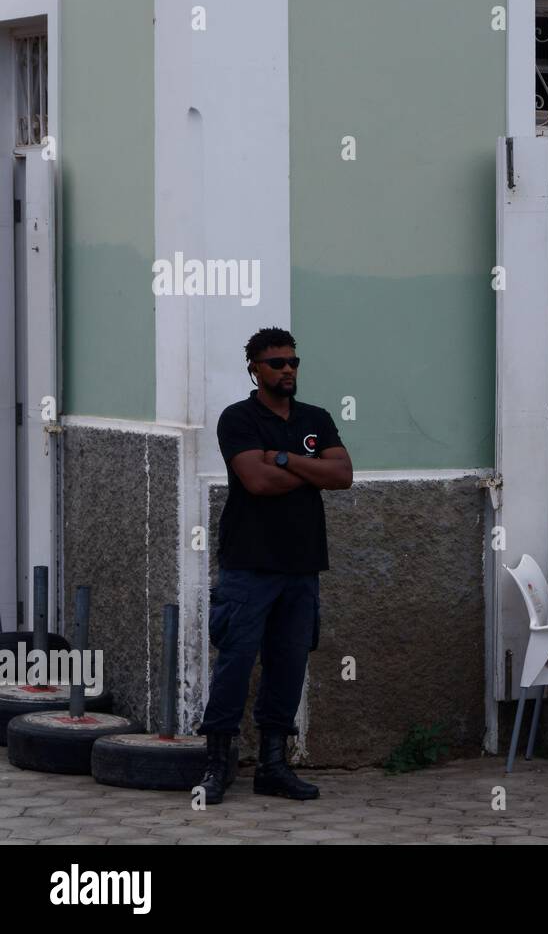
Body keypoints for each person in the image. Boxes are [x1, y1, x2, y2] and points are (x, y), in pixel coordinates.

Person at [195, 328, 353, 804]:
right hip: (248, 563)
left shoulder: (316, 418)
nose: (287, 370)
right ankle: (217, 763)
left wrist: (284, 458)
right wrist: (310, 470)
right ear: (255, 369)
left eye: (292, 362)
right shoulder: (238, 419)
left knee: (288, 665)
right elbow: (257, 482)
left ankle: (273, 766)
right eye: (276, 363)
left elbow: (342, 475)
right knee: (236, 663)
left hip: (302, 565)